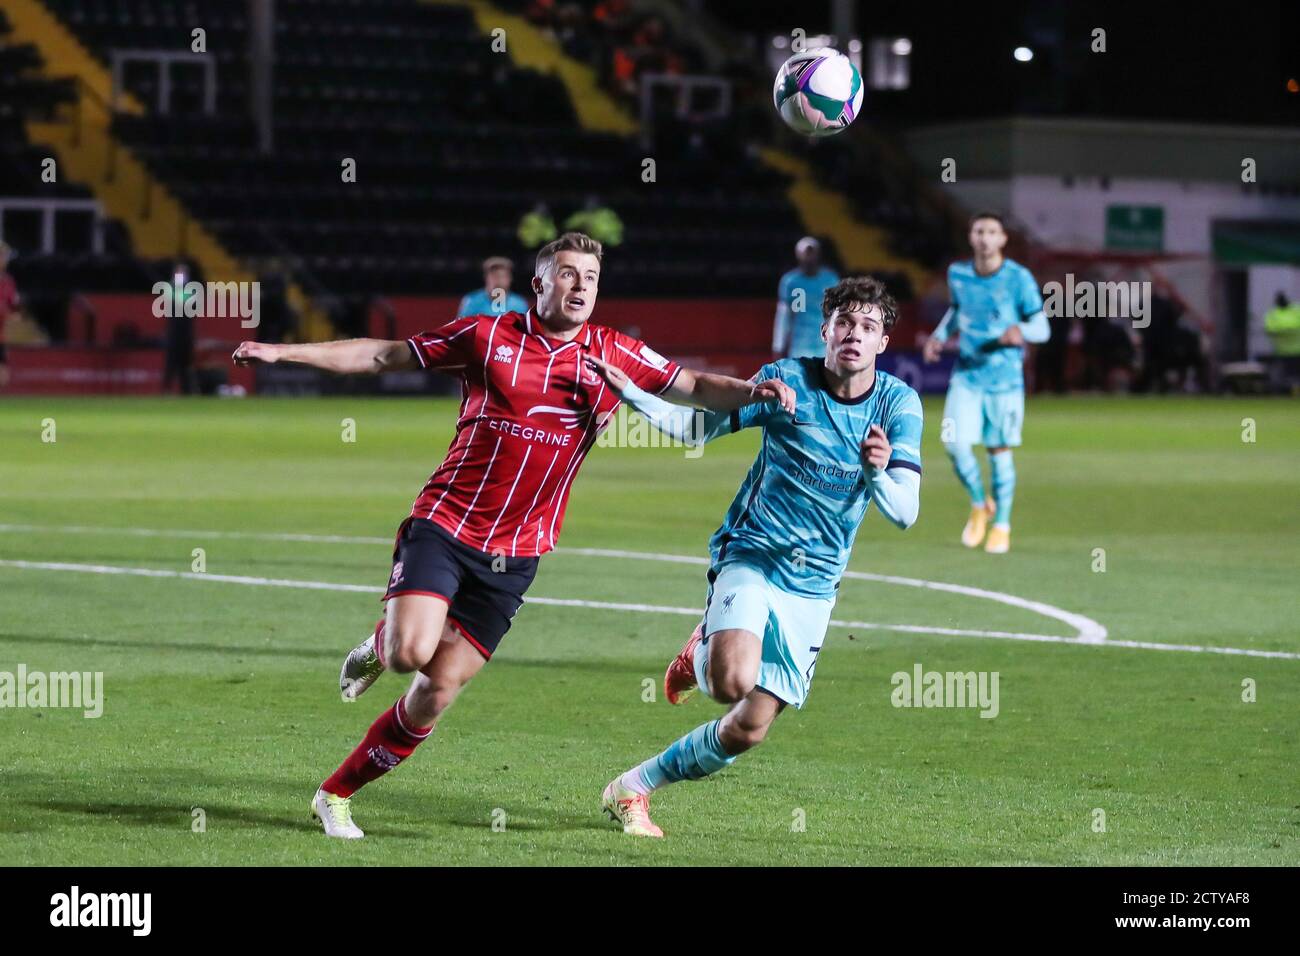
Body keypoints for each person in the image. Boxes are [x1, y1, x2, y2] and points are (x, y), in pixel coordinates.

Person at [231, 232, 796, 839]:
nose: (580, 287)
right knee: (407, 655)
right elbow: (382, 356)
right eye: (568, 274)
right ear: (539, 283)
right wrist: (282, 352)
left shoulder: (613, 353)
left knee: (436, 693)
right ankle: (382, 639)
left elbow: (689, 385)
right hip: (446, 525)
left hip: (518, 555)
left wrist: (751, 391)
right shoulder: (485, 335)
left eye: (591, 278)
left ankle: (335, 795)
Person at [585, 276, 923, 837]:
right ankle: (703, 651)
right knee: (728, 683)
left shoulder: (897, 403)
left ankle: (632, 788)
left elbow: (905, 511)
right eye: (844, 323)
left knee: (747, 729)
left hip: (816, 583)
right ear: (825, 329)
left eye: (868, 327)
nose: (854, 336)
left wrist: (874, 473)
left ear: (883, 342)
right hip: (754, 553)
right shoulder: (787, 379)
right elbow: (695, 427)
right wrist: (632, 394)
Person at [922, 212, 1048, 554]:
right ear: (971, 236)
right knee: (953, 443)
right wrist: (938, 336)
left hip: (1005, 382)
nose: (985, 237)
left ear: (1003, 239)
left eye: (992, 232)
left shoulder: (1018, 278)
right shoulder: (958, 274)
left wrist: (1019, 331)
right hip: (966, 376)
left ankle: (1002, 525)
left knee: (998, 451)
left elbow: (1043, 327)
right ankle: (980, 503)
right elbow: (957, 312)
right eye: (980, 231)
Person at [773, 237, 839, 360]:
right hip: (799, 346)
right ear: (798, 255)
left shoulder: (830, 279)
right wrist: (778, 345)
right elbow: (784, 315)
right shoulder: (790, 281)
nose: (809, 257)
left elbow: (837, 312)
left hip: (825, 345)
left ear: (818, 254)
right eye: (805, 253)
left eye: (812, 252)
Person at [456, 256, 529, 318]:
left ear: (510, 279)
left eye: (502, 276)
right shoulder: (471, 301)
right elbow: (461, 329)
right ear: (485, 277)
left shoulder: (519, 304)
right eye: (493, 275)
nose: (498, 280)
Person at [0, 242, 18, 389]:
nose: (5, 260)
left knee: (3, 371)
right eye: (2, 256)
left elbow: (12, 307)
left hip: (0, 335)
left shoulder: (8, 281)